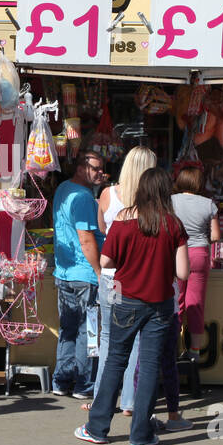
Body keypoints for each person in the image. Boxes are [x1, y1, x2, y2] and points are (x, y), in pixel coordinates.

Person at [76, 167, 189, 445]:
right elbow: (183, 272)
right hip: (160, 305)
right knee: (150, 366)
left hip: (125, 300)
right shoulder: (173, 225)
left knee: (115, 359)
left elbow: (105, 263)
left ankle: (98, 427)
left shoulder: (123, 223)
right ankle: (141, 434)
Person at [90, 145, 155, 415]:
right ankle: (129, 401)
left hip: (110, 277)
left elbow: (102, 230)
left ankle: (100, 399)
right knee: (137, 340)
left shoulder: (107, 194)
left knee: (109, 339)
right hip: (137, 277)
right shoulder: (153, 200)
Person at [165, 165, 220, 429]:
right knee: (196, 305)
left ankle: (172, 346)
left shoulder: (170, 201)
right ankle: (195, 352)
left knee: (176, 302)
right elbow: (216, 236)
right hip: (199, 253)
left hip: (175, 252)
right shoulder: (209, 204)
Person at [52, 150, 107, 398]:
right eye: (95, 168)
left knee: (69, 329)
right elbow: (86, 239)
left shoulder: (64, 189)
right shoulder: (83, 197)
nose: (100, 173)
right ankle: (84, 384)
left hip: (64, 272)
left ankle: (62, 381)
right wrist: (99, 271)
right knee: (88, 330)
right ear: (81, 168)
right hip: (84, 274)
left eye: (101, 168)